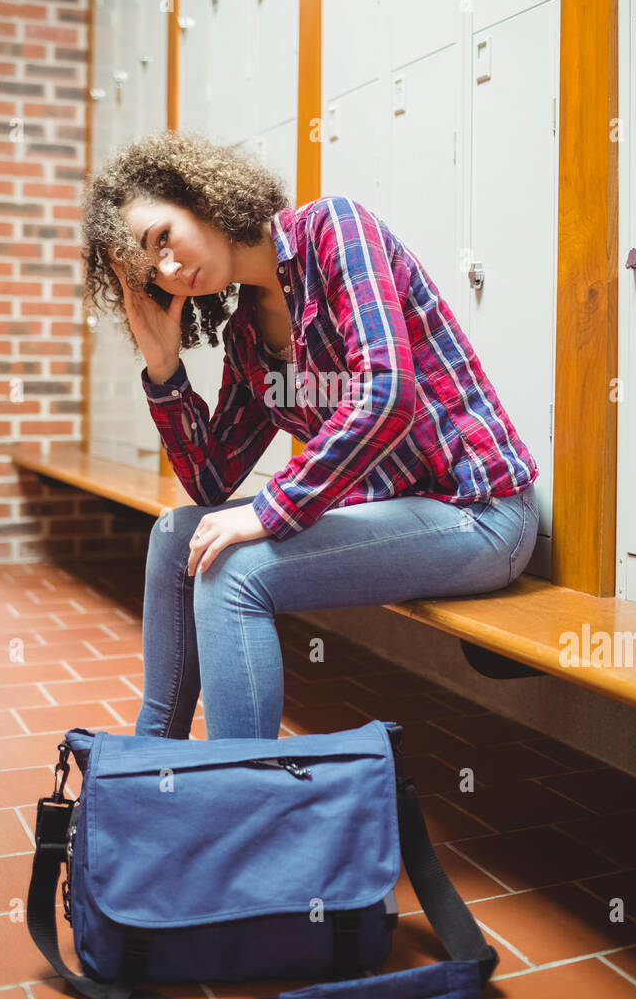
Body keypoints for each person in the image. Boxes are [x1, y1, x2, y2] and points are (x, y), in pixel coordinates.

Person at [81, 129, 540, 741]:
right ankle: (148, 765)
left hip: (479, 514)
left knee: (231, 569)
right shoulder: (246, 333)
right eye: (151, 271)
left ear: (196, 195)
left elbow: (386, 394)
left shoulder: (335, 230)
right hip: (395, 514)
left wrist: (271, 511)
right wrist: (164, 368)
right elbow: (210, 481)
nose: (168, 269)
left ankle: (242, 801)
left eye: (163, 238)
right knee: (175, 537)